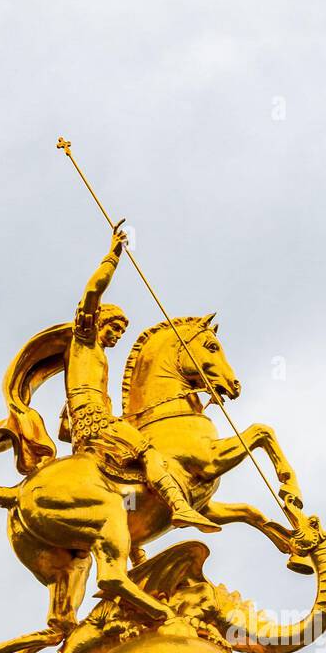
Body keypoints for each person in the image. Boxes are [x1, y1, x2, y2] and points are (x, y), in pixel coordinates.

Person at [65, 227, 219, 533]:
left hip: (98, 419)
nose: (117, 335)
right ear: (98, 322)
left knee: (133, 471)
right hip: (93, 421)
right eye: (114, 327)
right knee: (148, 450)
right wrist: (113, 256)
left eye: (122, 332)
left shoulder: (100, 355)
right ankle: (178, 507)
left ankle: (134, 539)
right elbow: (92, 293)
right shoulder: (84, 339)